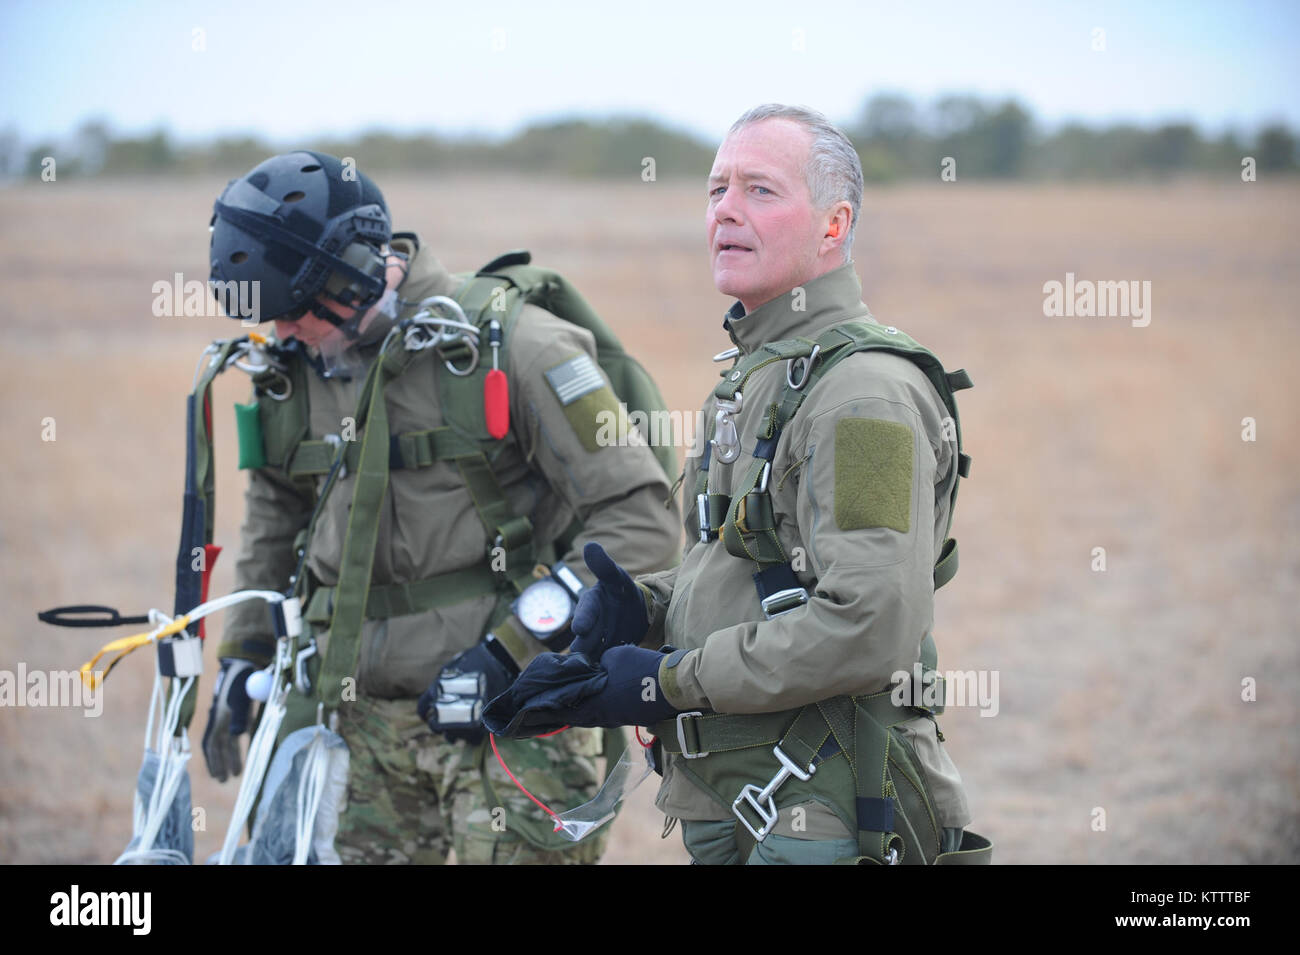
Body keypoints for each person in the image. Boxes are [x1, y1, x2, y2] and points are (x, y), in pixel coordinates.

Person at [486, 105, 992, 865]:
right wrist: (647, 607)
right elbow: (751, 575)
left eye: (760, 190)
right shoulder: (756, 380)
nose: (724, 209)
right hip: (745, 796)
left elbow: (869, 622)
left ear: (833, 225)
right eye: (717, 188)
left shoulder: (864, 396)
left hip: (832, 804)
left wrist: (668, 679)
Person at [199, 150, 680, 864]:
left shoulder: (514, 345)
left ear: (352, 273)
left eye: (292, 311)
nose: (280, 334)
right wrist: (244, 653)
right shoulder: (294, 366)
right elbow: (276, 512)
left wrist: (508, 652)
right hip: (356, 725)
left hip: (514, 719)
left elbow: (642, 519)